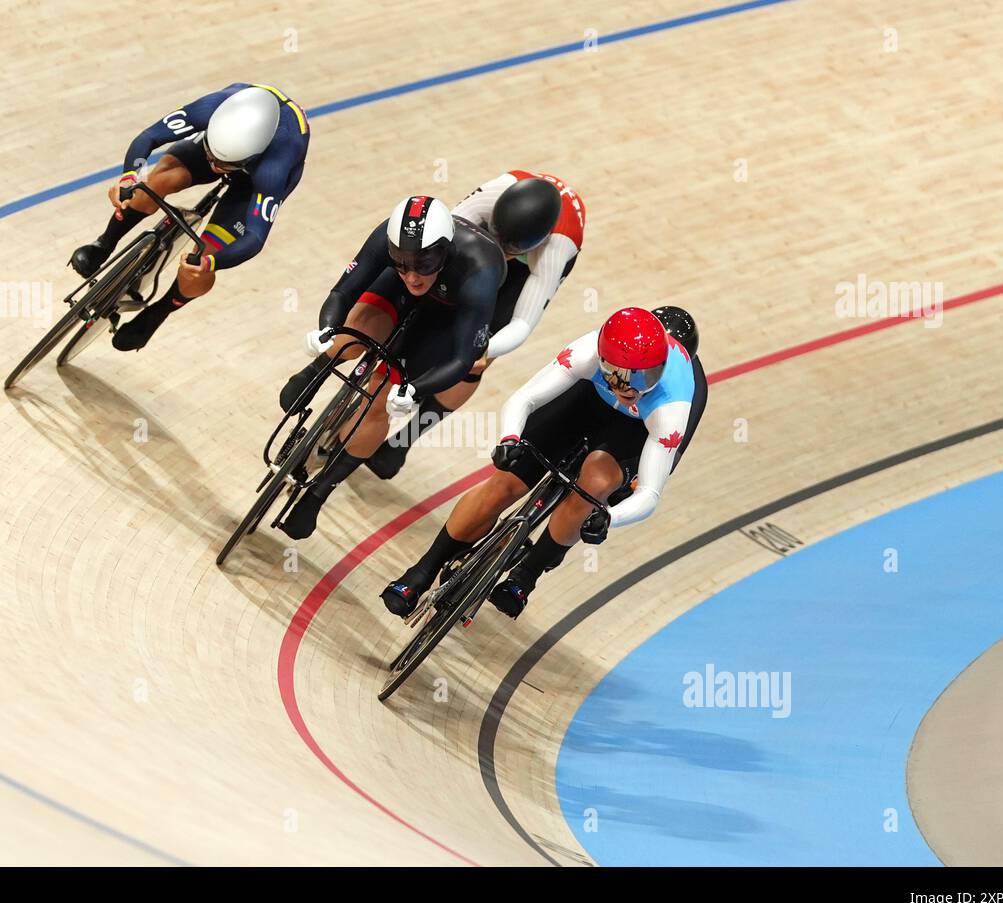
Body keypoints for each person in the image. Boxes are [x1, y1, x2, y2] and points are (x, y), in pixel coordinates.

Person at [381, 306, 707, 620]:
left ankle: (526, 574)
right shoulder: (586, 353)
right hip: (588, 398)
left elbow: (650, 491)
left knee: (594, 484)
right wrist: (509, 439)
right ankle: (423, 569)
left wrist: (610, 516)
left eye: (648, 376)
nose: (634, 389)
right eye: (623, 378)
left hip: (636, 431)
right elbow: (525, 398)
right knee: (505, 483)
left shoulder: (672, 403)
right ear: (603, 360)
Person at [276, 195, 507, 539]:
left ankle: (318, 493)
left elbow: (461, 359)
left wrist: (415, 390)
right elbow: (343, 291)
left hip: (445, 319)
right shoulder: (389, 237)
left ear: (443, 253)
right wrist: (327, 330)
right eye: (401, 263)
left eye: (422, 265)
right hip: (393, 293)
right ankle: (318, 369)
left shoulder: (481, 269)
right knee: (352, 334)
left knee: (380, 401)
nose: (412, 276)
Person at [365, 170, 586, 479]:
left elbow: (522, 323)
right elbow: (433, 243)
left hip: (524, 273)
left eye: (508, 250)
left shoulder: (556, 249)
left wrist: (479, 348)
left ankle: (404, 441)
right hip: (482, 231)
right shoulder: (487, 200)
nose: (499, 253)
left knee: (477, 360)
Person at [69, 83, 309, 351]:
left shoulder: (275, 167)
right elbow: (149, 137)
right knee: (159, 179)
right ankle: (104, 243)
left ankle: (159, 312)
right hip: (226, 144)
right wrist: (128, 178)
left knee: (203, 258)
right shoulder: (213, 108)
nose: (215, 167)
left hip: (253, 182)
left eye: (223, 165)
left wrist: (209, 263)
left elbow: (254, 237)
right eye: (212, 157)